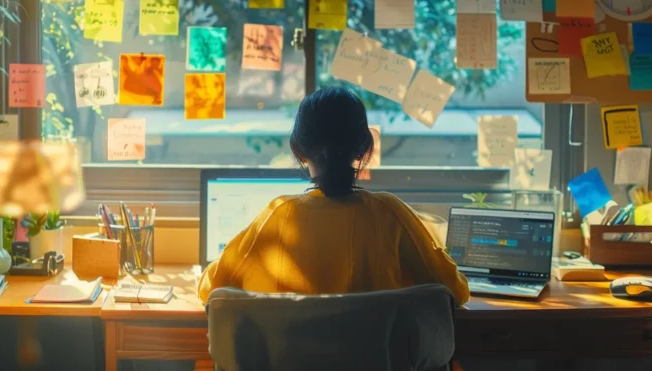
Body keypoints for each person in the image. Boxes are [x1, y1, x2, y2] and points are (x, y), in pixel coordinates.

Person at [197, 87, 470, 305]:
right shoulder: (391, 214)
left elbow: (211, 289)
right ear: (364, 149)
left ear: (298, 150)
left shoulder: (278, 215)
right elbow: (455, 291)